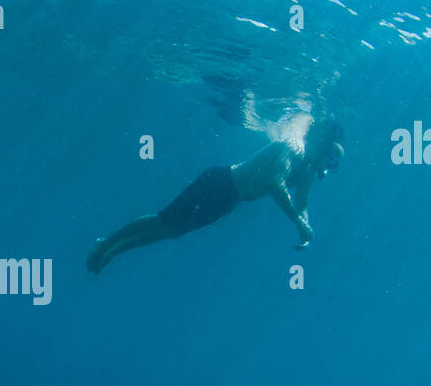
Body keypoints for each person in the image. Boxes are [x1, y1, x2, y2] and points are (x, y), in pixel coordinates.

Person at [86, 114, 344, 275]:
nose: (326, 169)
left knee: (173, 231)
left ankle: (113, 251)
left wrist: (305, 230)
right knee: (163, 220)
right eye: (329, 162)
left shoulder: (308, 170)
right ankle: (106, 243)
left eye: (331, 168)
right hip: (220, 182)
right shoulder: (295, 146)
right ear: (322, 148)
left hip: (230, 199)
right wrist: (298, 223)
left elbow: (302, 204)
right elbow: (275, 182)